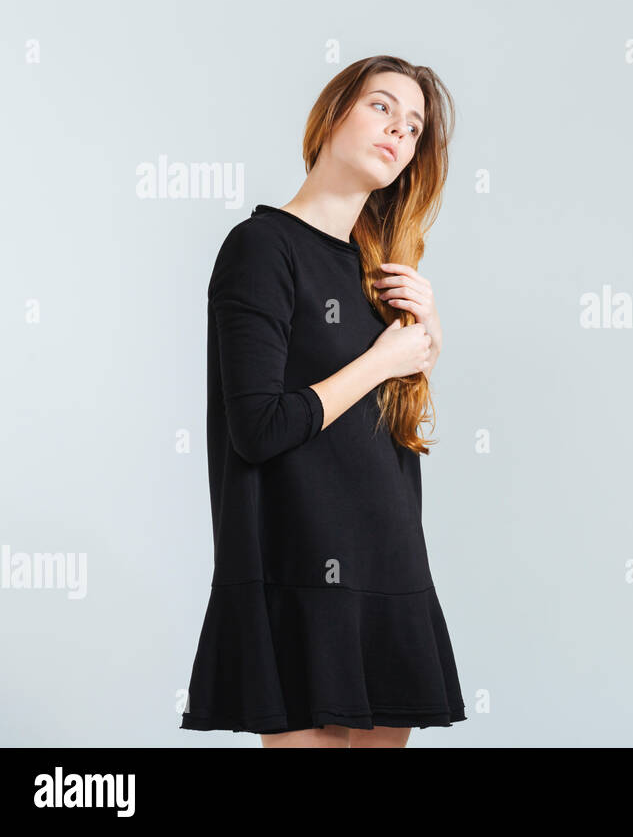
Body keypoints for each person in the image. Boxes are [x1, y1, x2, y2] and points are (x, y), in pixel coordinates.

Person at [179, 55, 466, 748]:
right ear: (333, 115)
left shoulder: (383, 271)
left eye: (414, 125)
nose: (399, 130)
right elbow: (258, 427)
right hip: (300, 569)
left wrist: (427, 338)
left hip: (390, 568)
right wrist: (380, 361)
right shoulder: (260, 247)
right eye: (381, 108)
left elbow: (381, 435)